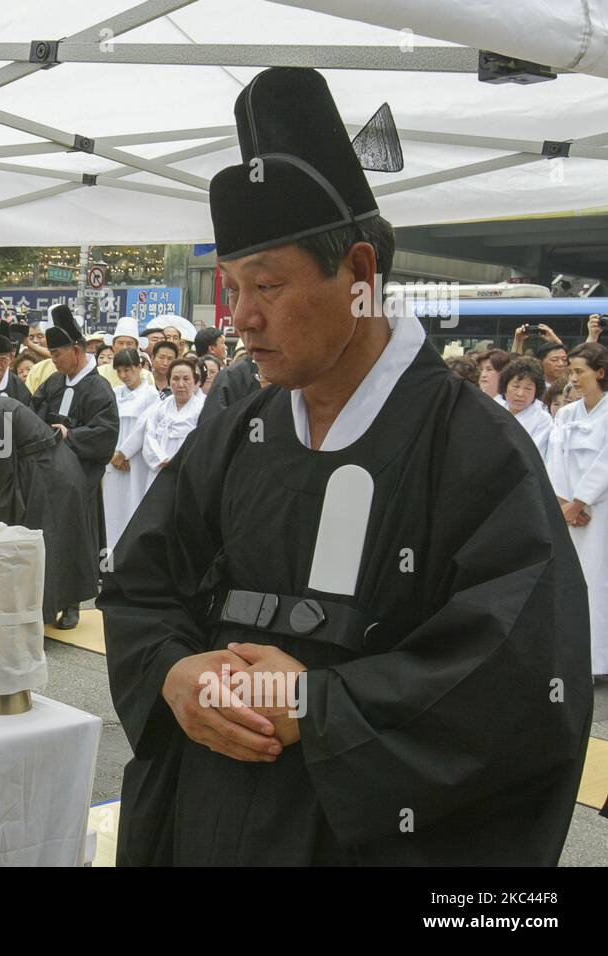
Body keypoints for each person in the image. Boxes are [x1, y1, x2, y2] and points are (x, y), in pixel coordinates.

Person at [99, 66, 590, 866]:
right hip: (209, 816)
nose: (242, 317)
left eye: (268, 284)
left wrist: (316, 705)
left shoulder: (474, 450)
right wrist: (175, 673)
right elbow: (141, 582)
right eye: (232, 287)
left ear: (359, 276)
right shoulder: (237, 431)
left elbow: (517, 683)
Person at [0, 381, 98, 624]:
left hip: (53, 473)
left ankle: (61, 607)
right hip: (42, 470)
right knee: (48, 542)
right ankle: (50, 607)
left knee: (53, 541)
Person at [31, 304, 120, 630]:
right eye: (52, 354)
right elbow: (32, 413)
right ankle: (45, 603)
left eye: (58, 354)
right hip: (47, 478)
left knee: (73, 541)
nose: (54, 359)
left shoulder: (98, 388)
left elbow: (106, 432)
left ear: (77, 350)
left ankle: (71, 603)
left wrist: (71, 435)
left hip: (79, 479)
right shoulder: (54, 383)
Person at [547, 341, 608, 676]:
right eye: (571, 370)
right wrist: (564, 502)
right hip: (569, 510)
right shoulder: (568, 413)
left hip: (601, 509)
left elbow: (605, 462)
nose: (573, 377)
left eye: (579, 371)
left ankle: (599, 660)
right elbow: (556, 456)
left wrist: (582, 500)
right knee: (572, 582)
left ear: (600, 373)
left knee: (599, 583)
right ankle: (574, 655)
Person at [117, 356, 205, 493]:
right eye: (175, 379)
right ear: (169, 382)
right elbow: (149, 436)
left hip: (188, 468)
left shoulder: (203, 408)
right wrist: (161, 459)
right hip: (160, 467)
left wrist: (181, 462)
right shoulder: (160, 407)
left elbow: (204, 441)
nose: (181, 384)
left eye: (186, 379)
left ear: (195, 381)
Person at [103, 348, 160, 557]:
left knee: (133, 506)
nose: (124, 375)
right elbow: (107, 425)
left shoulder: (151, 395)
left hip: (136, 461)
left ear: (140, 367)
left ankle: (132, 558)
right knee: (112, 511)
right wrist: (113, 454)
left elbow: (145, 427)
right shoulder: (114, 393)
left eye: (128, 369)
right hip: (112, 459)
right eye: (119, 371)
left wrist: (124, 453)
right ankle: (109, 559)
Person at [501, 355, 552, 457]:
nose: (520, 394)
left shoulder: (543, 420)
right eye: (515, 386)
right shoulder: (494, 409)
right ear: (505, 386)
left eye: (528, 388)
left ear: (536, 391)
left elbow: (533, 454)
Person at [99, 318, 154, 390]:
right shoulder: (100, 373)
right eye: (120, 343)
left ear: (136, 347)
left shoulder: (146, 376)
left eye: (129, 344)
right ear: (113, 346)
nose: (124, 347)